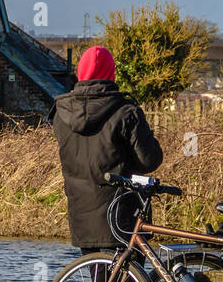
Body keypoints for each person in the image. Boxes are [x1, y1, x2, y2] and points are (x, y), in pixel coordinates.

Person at [52, 46, 163, 254]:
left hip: (82, 214)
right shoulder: (126, 112)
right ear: (111, 73)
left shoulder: (62, 114)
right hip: (122, 215)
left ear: (80, 72)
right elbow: (150, 160)